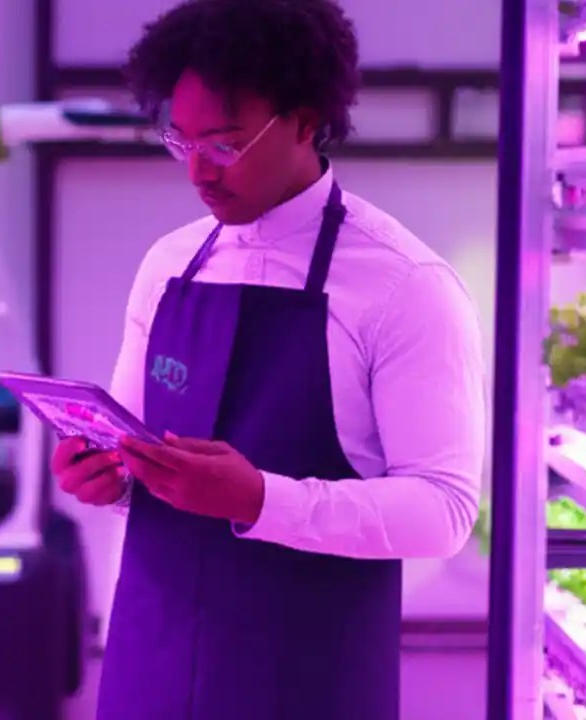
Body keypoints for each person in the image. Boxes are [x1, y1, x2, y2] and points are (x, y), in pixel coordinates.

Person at [49, 0, 486, 717]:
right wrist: (105, 476)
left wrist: (260, 499)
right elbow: (134, 455)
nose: (197, 171)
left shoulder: (405, 286)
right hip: (152, 658)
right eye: (179, 141)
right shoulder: (169, 265)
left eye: (224, 144)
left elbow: (443, 511)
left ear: (307, 121)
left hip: (307, 674)